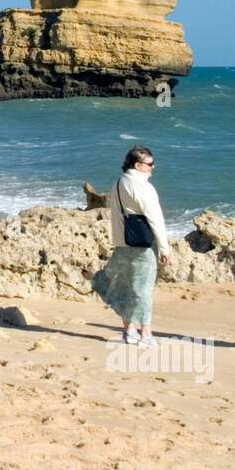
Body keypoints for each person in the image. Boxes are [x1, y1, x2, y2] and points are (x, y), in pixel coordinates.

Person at [95, 145, 170, 347]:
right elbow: (155, 219)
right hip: (143, 245)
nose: (153, 167)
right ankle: (146, 334)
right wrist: (164, 248)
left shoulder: (118, 183)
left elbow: (116, 216)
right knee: (143, 289)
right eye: (150, 164)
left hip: (122, 243)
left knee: (124, 287)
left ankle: (129, 331)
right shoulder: (143, 186)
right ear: (138, 165)